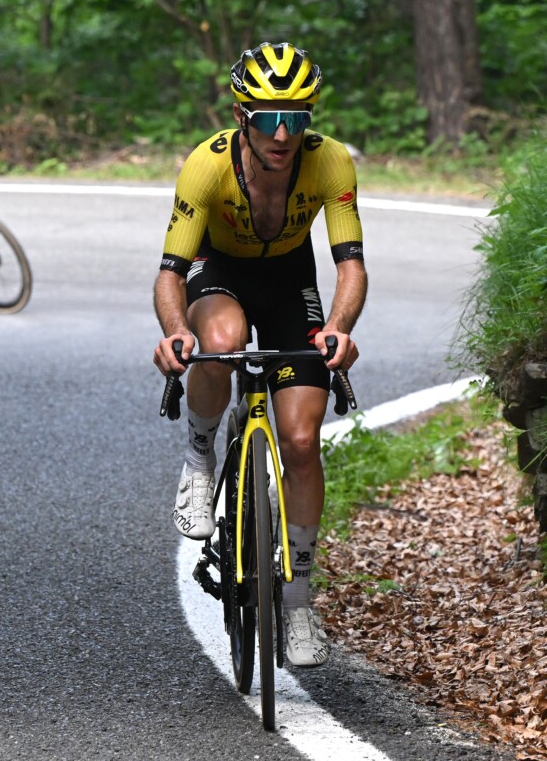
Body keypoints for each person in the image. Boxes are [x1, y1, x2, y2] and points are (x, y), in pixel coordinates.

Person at [151, 42, 367, 667]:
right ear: (242, 115)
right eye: (269, 117)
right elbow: (169, 273)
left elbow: (350, 265)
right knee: (218, 343)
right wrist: (174, 332)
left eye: (296, 118)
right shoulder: (207, 165)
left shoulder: (329, 163)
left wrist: (340, 326)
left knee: (301, 442)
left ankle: (297, 603)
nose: (282, 133)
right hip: (219, 274)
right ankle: (199, 454)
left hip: (290, 284)